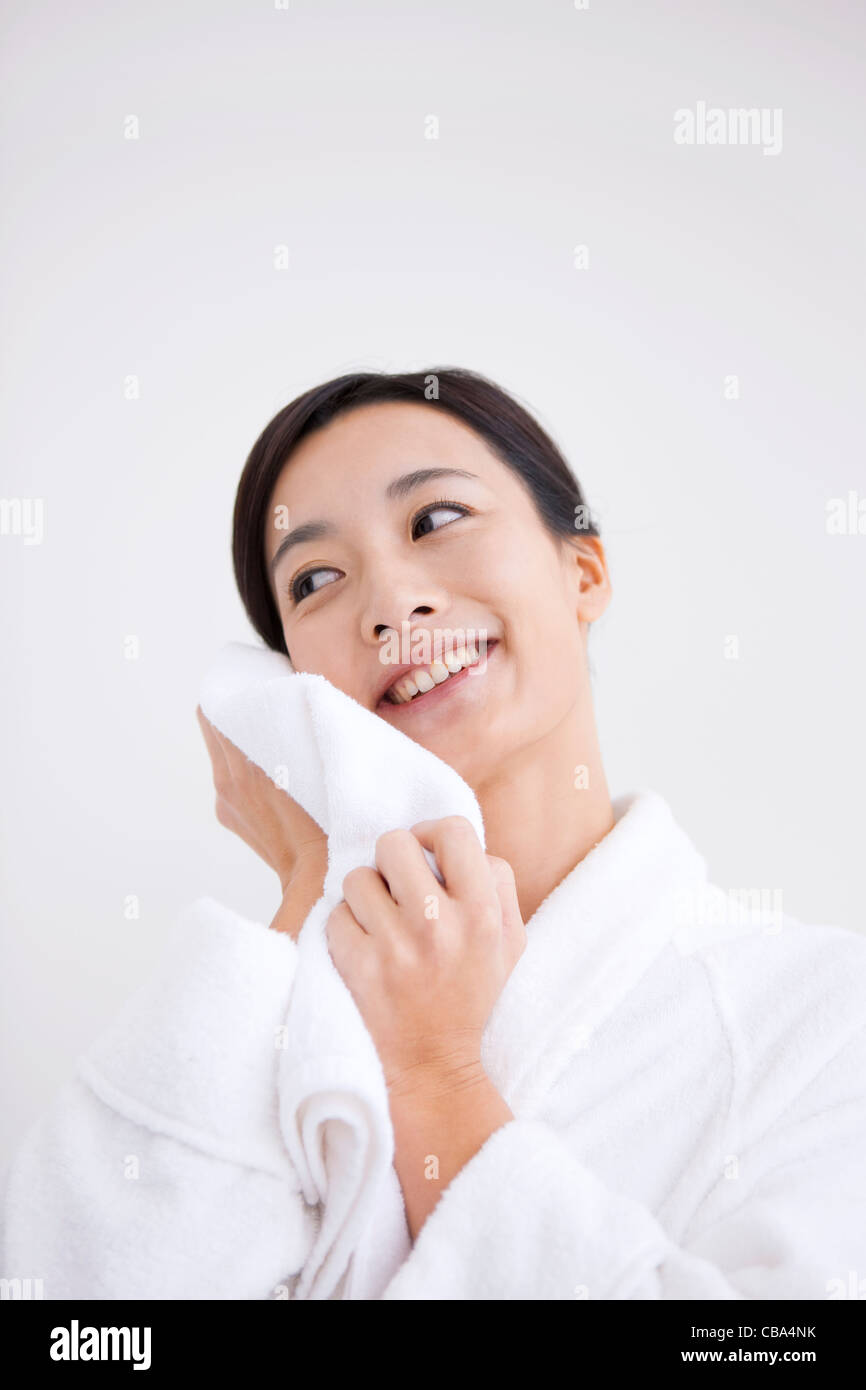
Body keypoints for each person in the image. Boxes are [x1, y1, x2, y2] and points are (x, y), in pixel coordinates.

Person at [3, 367, 865, 1300]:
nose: (391, 604)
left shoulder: (819, 1019)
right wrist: (306, 885)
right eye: (317, 579)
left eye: (436, 519)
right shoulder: (277, 1020)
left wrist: (438, 1078)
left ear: (584, 571)